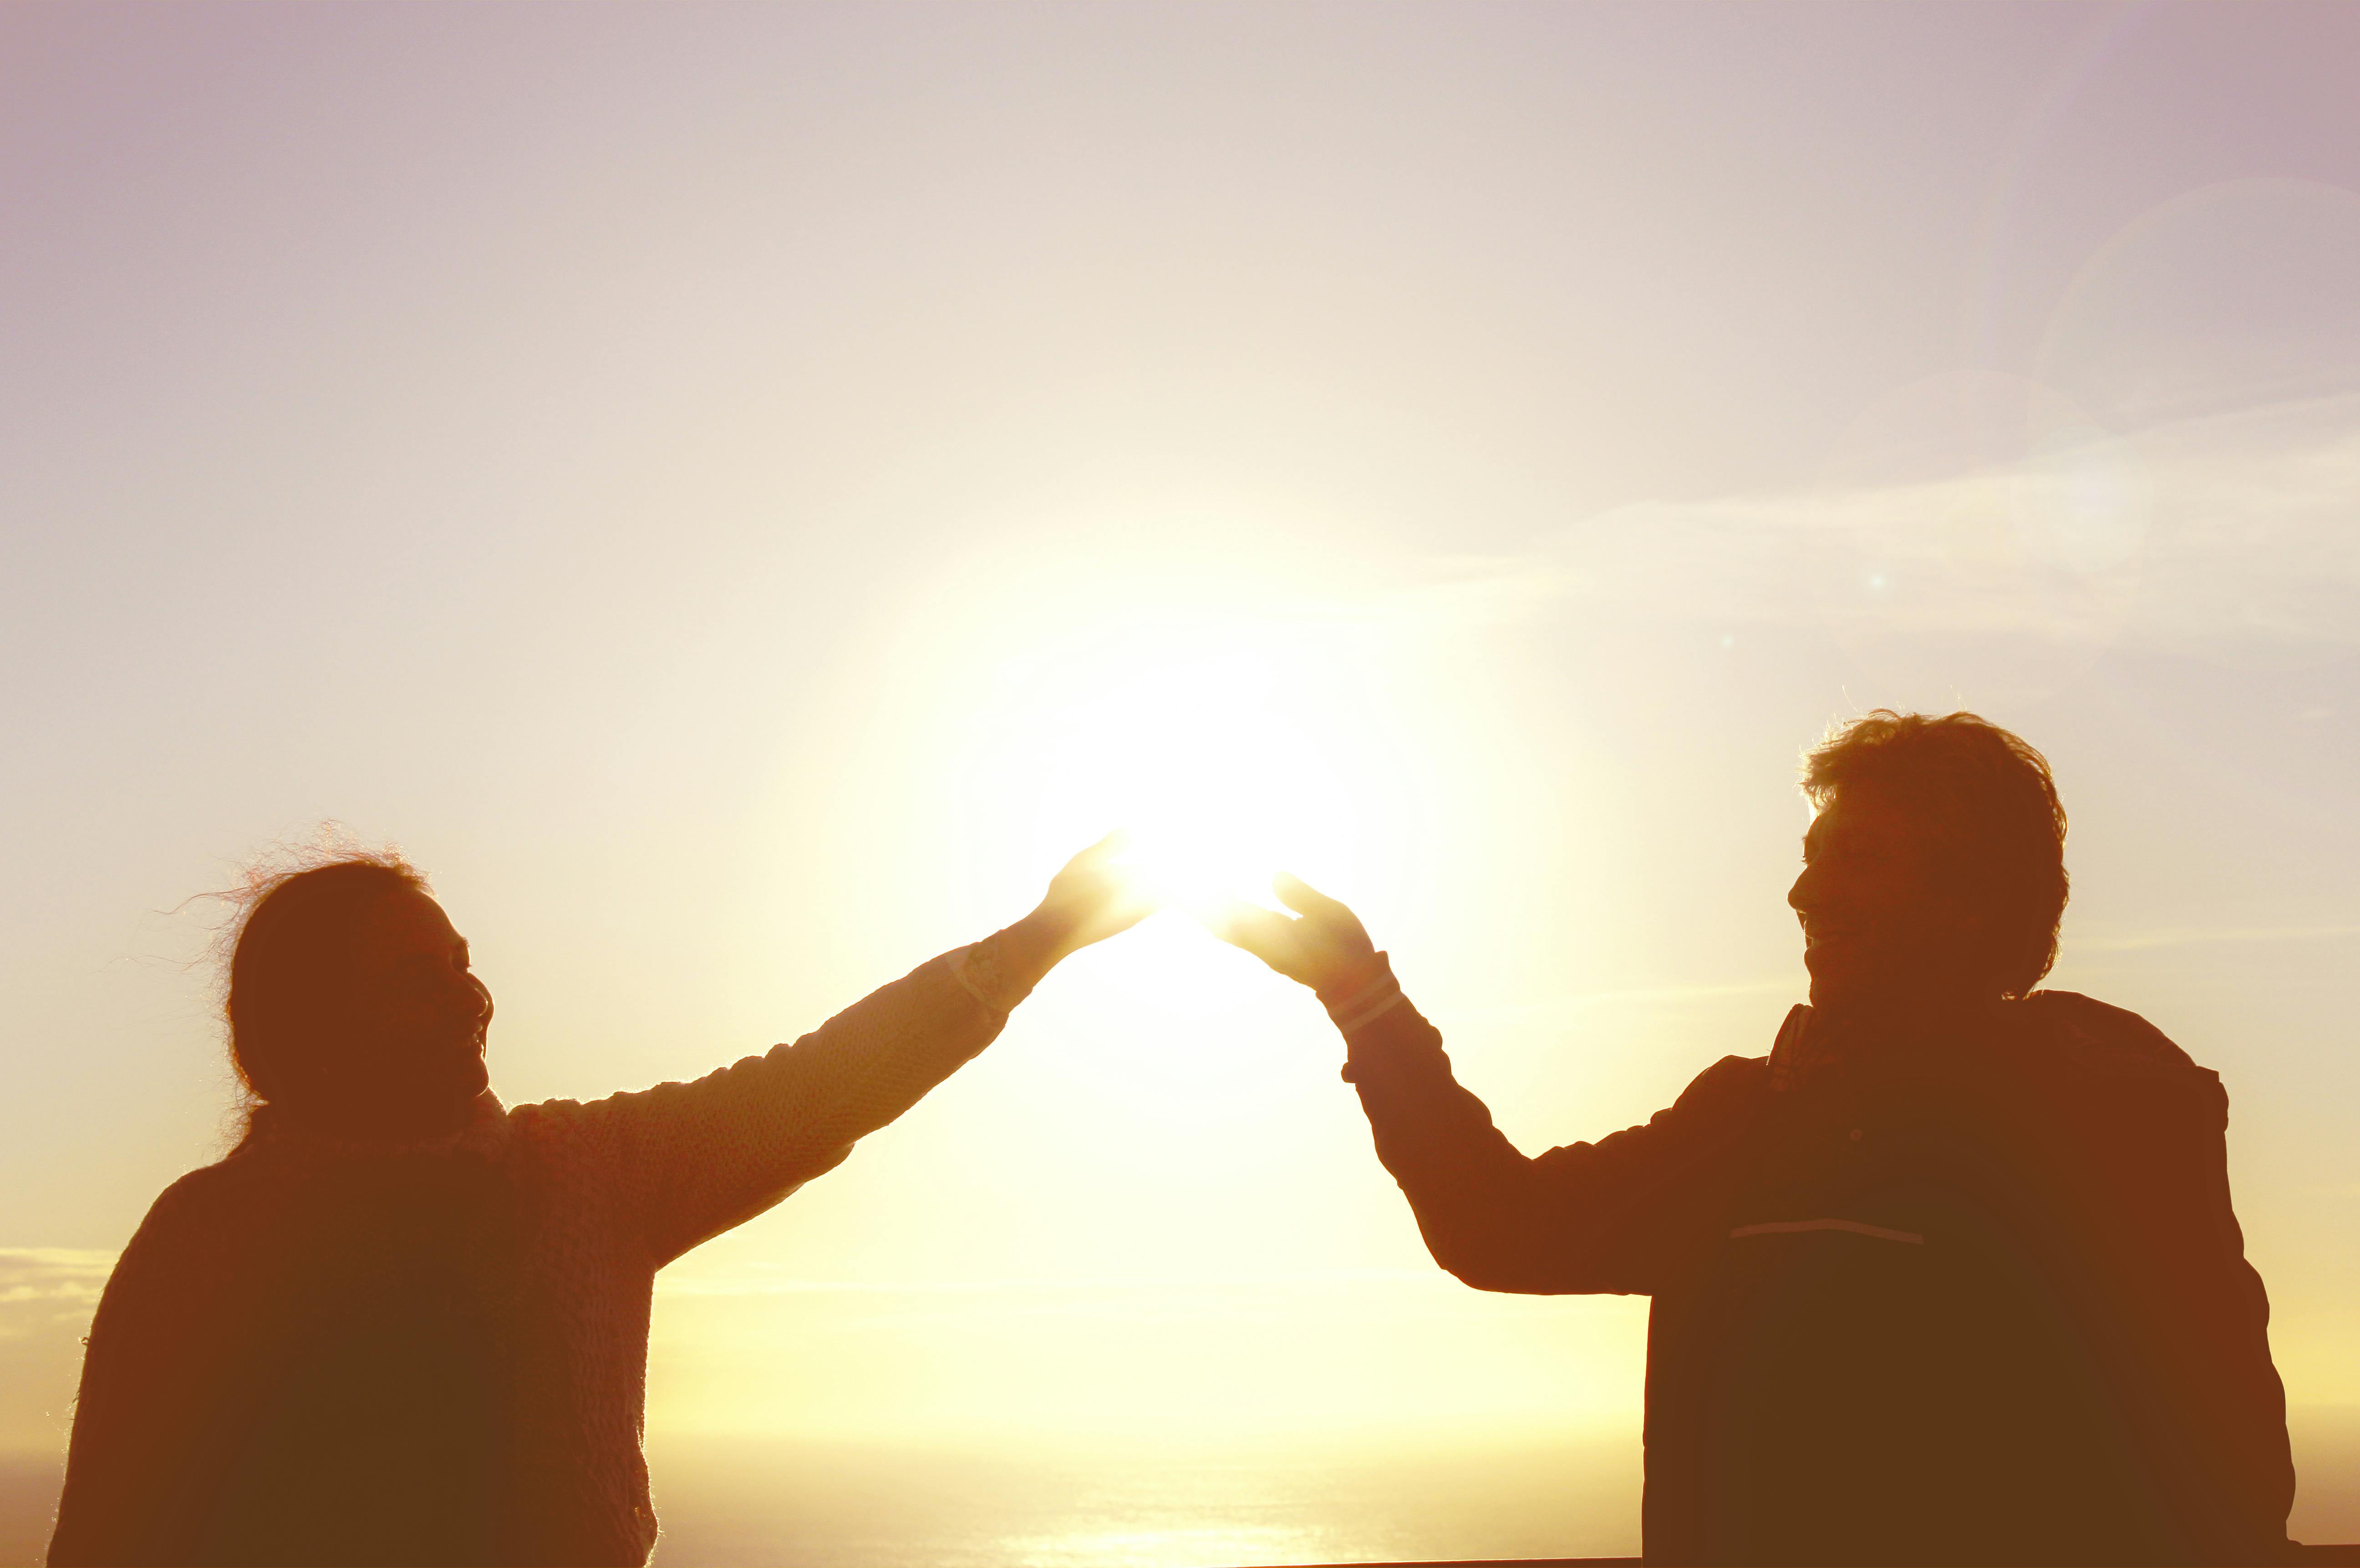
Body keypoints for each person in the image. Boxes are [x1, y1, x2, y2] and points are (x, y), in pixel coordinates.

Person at [1212, 710, 2294, 1566]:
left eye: (1857, 858)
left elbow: (2221, 1477)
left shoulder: (2107, 1115)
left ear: (1970, 896)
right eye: (1814, 856)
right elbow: (1504, 1229)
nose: (1803, 889)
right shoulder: (1752, 1117)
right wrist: (1367, 1005)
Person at [48, 837, 1151, 1567]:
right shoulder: (206, 1237)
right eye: (415, 979)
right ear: (312, 1023)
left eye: (465, 965)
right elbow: (107, 1539)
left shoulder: (580, 1174)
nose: (471, 997)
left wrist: (1037, 940)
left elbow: (817, 1087)